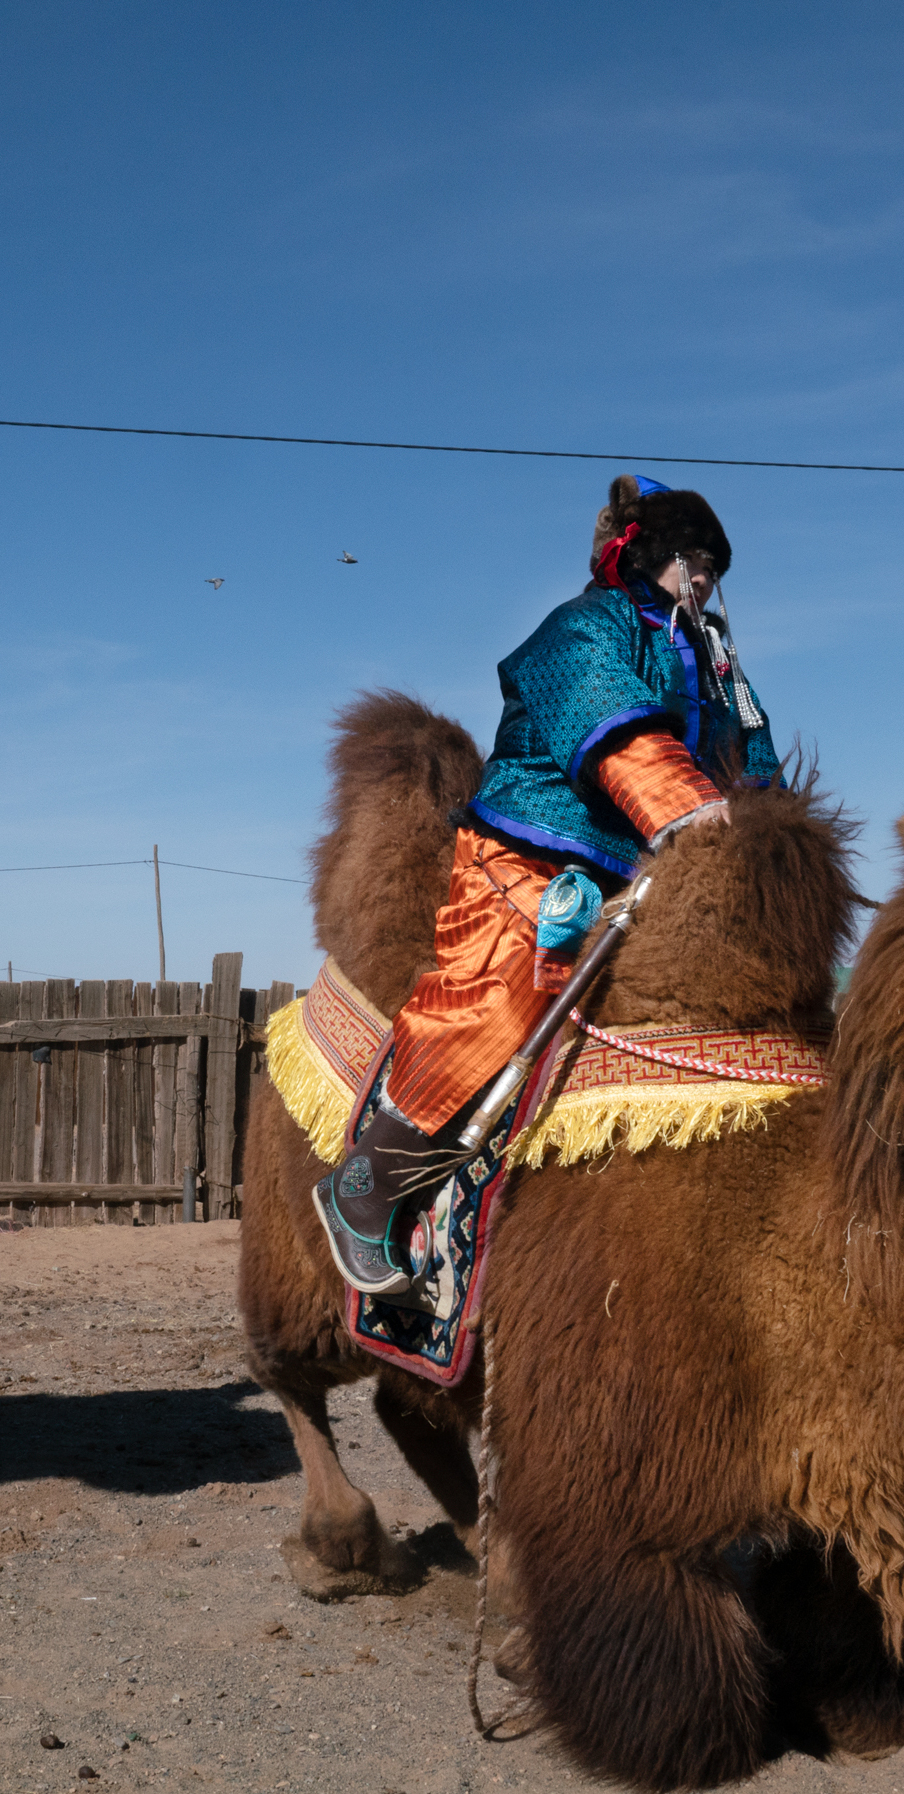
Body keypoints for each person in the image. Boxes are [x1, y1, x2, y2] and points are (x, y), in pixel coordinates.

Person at [314, 474, 780, 1296]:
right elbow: (621, 737)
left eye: (714, 567)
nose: (706, 579)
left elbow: (753, 756)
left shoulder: (715, 664)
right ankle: (367, 1187)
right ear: (652, 555)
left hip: (652, 872)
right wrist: (699, 817)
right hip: (531, 860)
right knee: (502, 997)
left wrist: (772, 842)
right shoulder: (578, 631)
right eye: (694, 560)